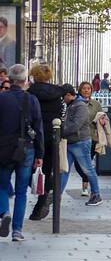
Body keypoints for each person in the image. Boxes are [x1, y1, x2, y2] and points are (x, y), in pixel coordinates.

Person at [0, 64, 44, 241]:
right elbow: (38, 128)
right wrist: (40, 154)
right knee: (21, 191)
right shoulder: (31, 100)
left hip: (3, 149)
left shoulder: (1, 99)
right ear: (25, 80)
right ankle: (17, 231)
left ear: (9, 79)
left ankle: (4, 212)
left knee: (2, 185)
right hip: (27, 149)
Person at [27, 61, 66, 220]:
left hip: (34, 136)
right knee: (46, 169)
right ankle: (40, 206)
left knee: (29, 170)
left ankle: (49, 189)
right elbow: (62, 114)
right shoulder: (58, 94)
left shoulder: (29, 93)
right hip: (52, 136)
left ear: (34, 76)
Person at [59, 82, 102, 205]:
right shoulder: (73, 104)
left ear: (68, 95)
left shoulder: (80, 106)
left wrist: (61, 132)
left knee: (87, 168)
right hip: (72, 142)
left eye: (63, 97)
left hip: (80, 142)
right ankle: (58, 195)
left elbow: (75, 125)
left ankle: (96, 194)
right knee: (64, 169)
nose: (63, 100)